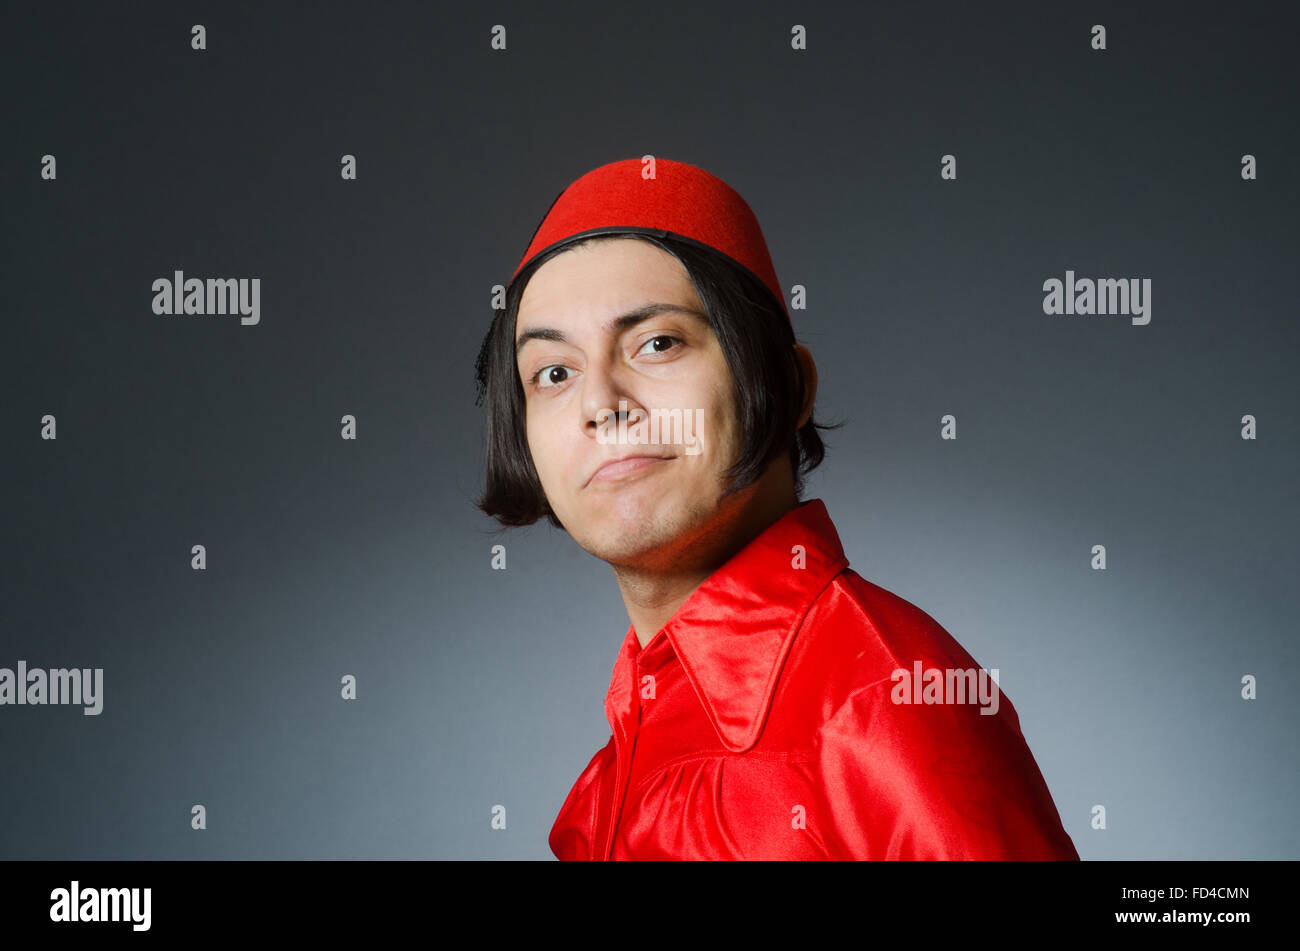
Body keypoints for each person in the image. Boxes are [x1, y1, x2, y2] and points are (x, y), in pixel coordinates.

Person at [475, 156, 1079, 860]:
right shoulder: (617, 761)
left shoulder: (888, 700)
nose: (601, 403)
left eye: (658, 343)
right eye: (554, 372)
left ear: (789, 385)